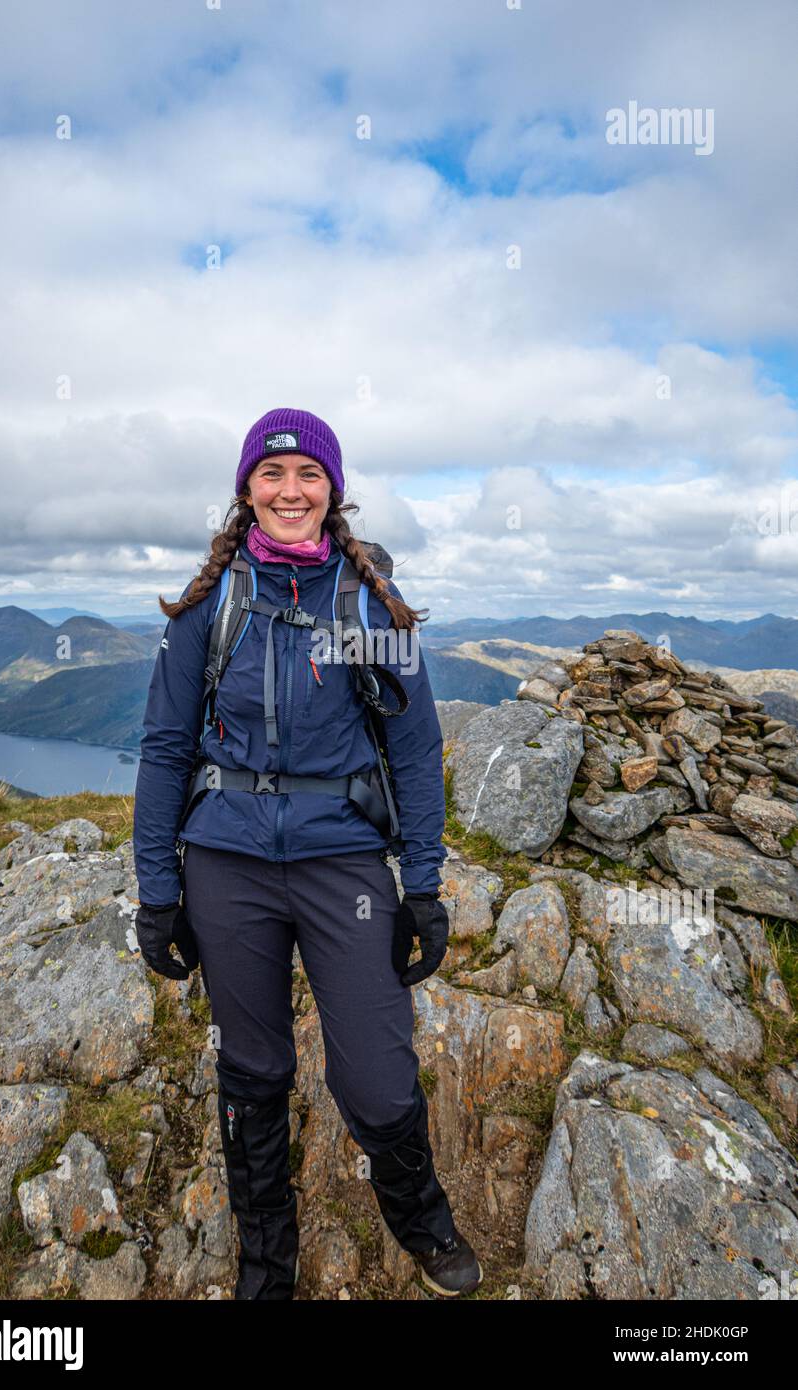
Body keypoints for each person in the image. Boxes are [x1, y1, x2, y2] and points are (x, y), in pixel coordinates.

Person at [132, 407, 482, 1300]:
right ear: (247, 491)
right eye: (272, 475)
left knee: (374, 1070)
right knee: (254, 1069)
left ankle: (421, 1220)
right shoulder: (211, 605)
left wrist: (427, 886)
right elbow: (168, 747)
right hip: (226, 863)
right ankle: (266, 1264)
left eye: (309, 476)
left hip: (342, 863)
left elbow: (413, 749)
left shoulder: (367, 605)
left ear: (332, 492)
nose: (291, 491)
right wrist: (157, 890)